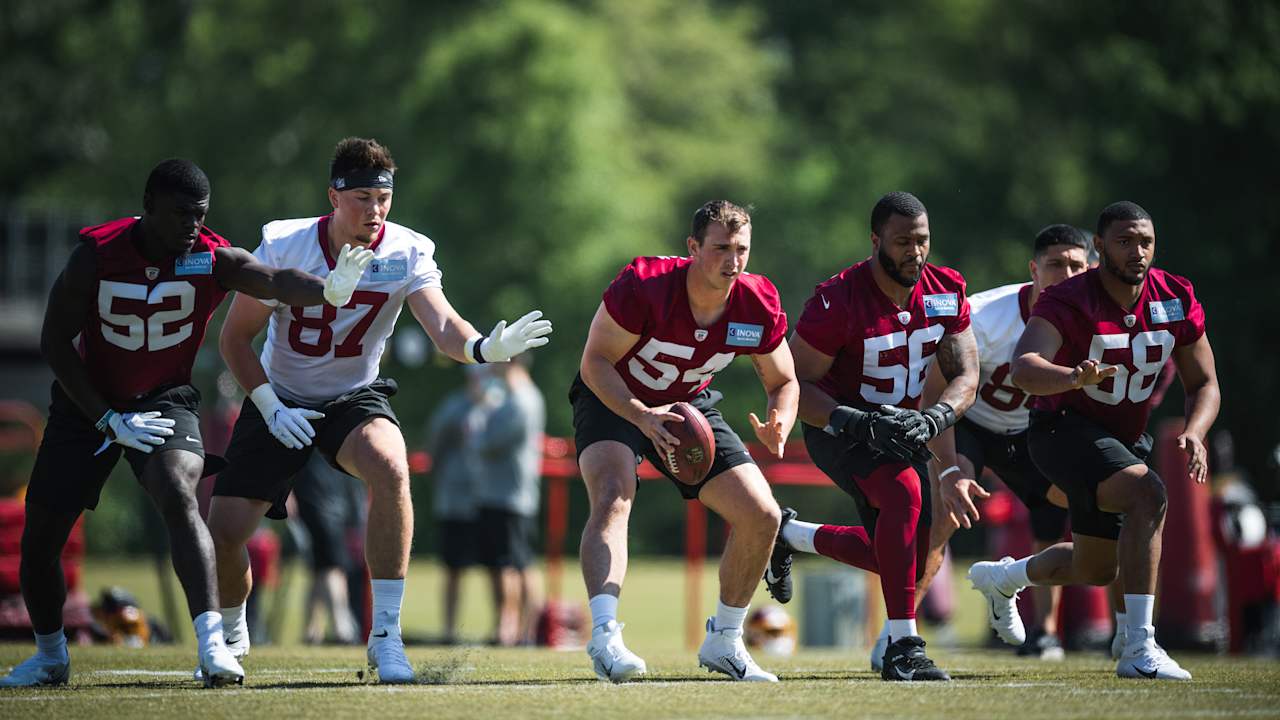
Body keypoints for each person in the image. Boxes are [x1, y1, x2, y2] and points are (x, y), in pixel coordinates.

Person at [0, 158, 371, 688]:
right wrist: (106, 418)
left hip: (165, 397)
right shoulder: (97, 257)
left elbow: (271, 278)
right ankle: (50, 654)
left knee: (178, 490)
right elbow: (54, 343)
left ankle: (213, 645)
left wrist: (328, 289)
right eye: (179, 215)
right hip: (88, 405)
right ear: (148, 208)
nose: (191, 227)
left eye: (199, 215)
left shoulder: (207, 258)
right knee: (39, 542)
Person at [205, 137, 552, 684]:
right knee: (224, 529)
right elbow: (234, 341)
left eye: (383, 197)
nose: (374, 210)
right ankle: (229, 631)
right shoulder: (285, 243)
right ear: (334, 198)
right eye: (361, 196)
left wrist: (484, 347)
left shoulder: (406, 250)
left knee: (391, 467)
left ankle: (386, 636)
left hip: (352, 394)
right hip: (280, 393)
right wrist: (268, 406)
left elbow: (443, 328)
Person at [968, 201, 1220, 680]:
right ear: (1100, 248)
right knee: (1149, 494)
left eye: (1144, 241)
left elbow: (1204, 382)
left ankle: (1004, 578)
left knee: (1097, 568)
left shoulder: (1174, 295)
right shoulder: (1068, 298)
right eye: (1124, 241)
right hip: (1058, 430)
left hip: (1119, 438)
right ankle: (1139, 645)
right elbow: (1025, 367)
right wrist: (1072, 377)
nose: (1137, 252)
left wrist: (1195, 431)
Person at [572, 200, 796, 682]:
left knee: (763, 515)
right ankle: (606, 635)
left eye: (742, 249)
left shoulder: (756, 301)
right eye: (720, 248)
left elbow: (784, 380)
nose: (732, 261)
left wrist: (781, 417)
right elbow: (595, 363)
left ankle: (726, 639)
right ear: (693, 247)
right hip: (617, 398)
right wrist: (639, 414)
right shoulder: (645, 285)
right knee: (613, 496)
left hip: (688, 408)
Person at [765, 191, 978, 682]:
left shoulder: (946, 289)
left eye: (922, 240)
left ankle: (791, 535)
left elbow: (967, 374)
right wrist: (857, 422)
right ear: (876, 240)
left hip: (903, 430)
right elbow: (798, 385)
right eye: (903, 241)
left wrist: (935, 417)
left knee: (911, 554)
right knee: (904, 496)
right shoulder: (838, 299)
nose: (915, 252)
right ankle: (903, 646)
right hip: (839, 427)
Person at [922, 224, 1093, 660]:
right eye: (1056, 265)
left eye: (1077, 266)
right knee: (944, 515)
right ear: (1034, 270)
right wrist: (947, 466)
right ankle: (900, 627)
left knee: (1060, 513)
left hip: (1035, 428)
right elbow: (938, 386)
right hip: (971, 424)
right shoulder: (984, 314)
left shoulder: (1099, 320)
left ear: (1092, 268)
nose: (1067, 275)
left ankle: (1045, 630)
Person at [471, 359, 545, 646]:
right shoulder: (511, 396)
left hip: (510, 495)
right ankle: (513, 628)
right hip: (500, 492)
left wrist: (480, 413)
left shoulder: (522, 399)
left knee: (513, 563)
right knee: (508, 561)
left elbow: (488, 443)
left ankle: (515, 629)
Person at [424, 375, 483, 645]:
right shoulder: (453, 408)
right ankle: (449, 629)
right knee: (453, 567)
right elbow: (435, 447)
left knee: (500, 566)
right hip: (456, 500)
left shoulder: (498, 406)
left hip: (488, 499)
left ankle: (506, 632)